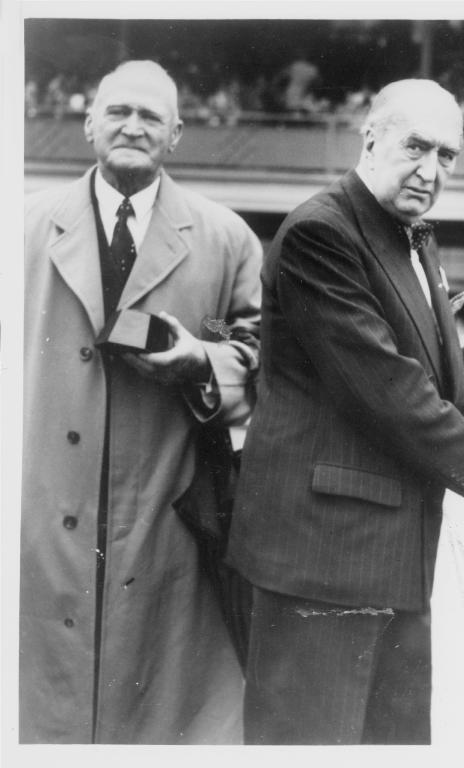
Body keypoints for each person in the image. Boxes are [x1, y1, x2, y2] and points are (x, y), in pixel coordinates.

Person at [225, 79, 464, 745]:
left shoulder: (406, 234)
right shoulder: (320, 232)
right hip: (323, 564)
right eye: (415, 146)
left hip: (389, 557)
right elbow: (381, 386)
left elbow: (408, 368)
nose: (430, 170)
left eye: (446, 155)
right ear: (369, 138)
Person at [21, 60, 262, 743]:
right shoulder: (22, 226)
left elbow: (259, 355)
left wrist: (201, 360)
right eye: (118, 111)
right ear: (89, 121)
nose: (132, 126)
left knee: (159, 711)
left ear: (177, 133)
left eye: (151, 116)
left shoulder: (227, 238)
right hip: (38, 513)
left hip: (165, 514)